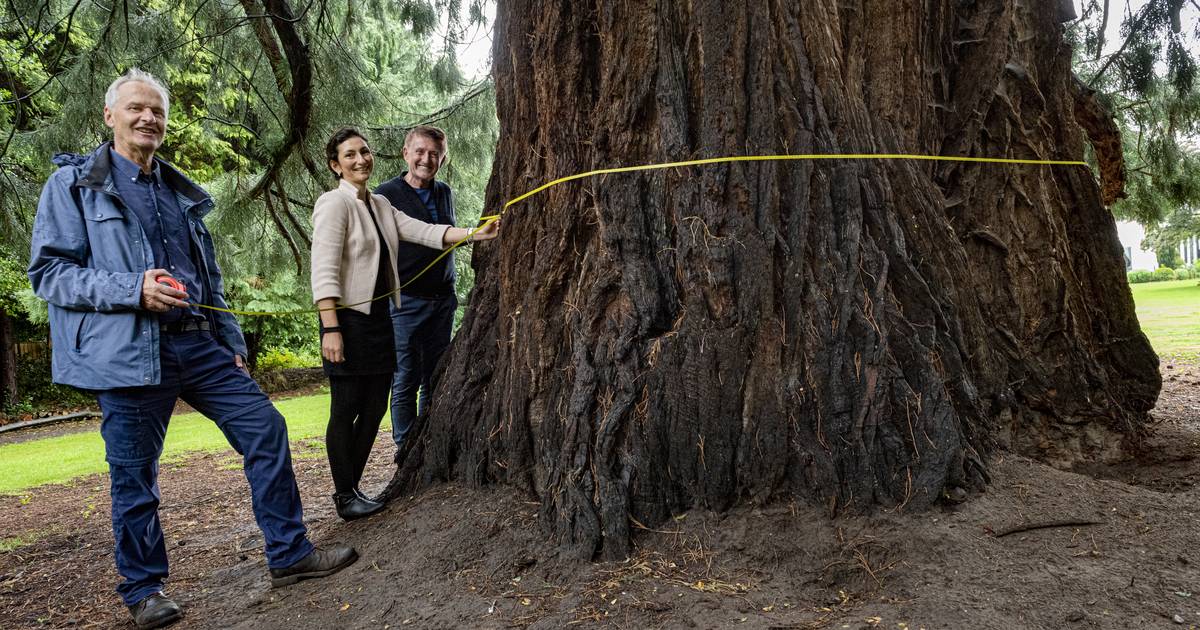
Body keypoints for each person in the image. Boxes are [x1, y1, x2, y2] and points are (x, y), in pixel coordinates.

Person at [27, 69, 357, 630]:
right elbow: (50, 274)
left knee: (265, 428)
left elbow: (210, 277)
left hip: (198, 345)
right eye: (135, 108)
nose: (147, 118)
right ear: (110, 117)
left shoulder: (177, 192)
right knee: (134, 473)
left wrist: (229, 342)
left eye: (156, 110)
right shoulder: (73, 185)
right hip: (127, 352)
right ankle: (143, 589)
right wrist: (133, 289)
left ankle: (290, 554)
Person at [310, 127, 496, 520]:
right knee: (346, 406)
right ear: (336, 165)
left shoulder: (378, 204)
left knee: (376, 405)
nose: (360, 160)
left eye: (364, 152)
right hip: (346, 321)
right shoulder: (334, 204)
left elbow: (421, 231)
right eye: (349, 155)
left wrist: (473, 234)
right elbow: (323, 271)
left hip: (379, 319)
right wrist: (330, 328)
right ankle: (345, 495)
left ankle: (355, 487)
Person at [374, 125, 460, 459]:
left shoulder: (444, 192)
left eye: (435, 154)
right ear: (406, 153)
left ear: (442, 158)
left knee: (435, 375)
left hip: (442, 300)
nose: (427, 159)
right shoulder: (386, 194)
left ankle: (429, 440)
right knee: (406, 375)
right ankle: (405, 448)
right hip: (406, 301)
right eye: (420, 151)